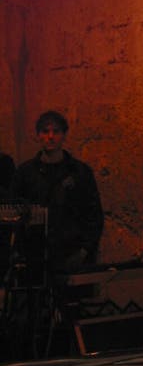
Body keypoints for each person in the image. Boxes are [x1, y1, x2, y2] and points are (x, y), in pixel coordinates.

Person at [8, 111, 103, 274]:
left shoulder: (80, 172)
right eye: (45, 131)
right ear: (38, 135)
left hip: (71, 254)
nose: (50, 137)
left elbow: (94, 215)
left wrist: (84, 251)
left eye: (56, 131)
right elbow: (13, 213)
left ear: (64, 135)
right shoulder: (25, 173)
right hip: (34, 257)